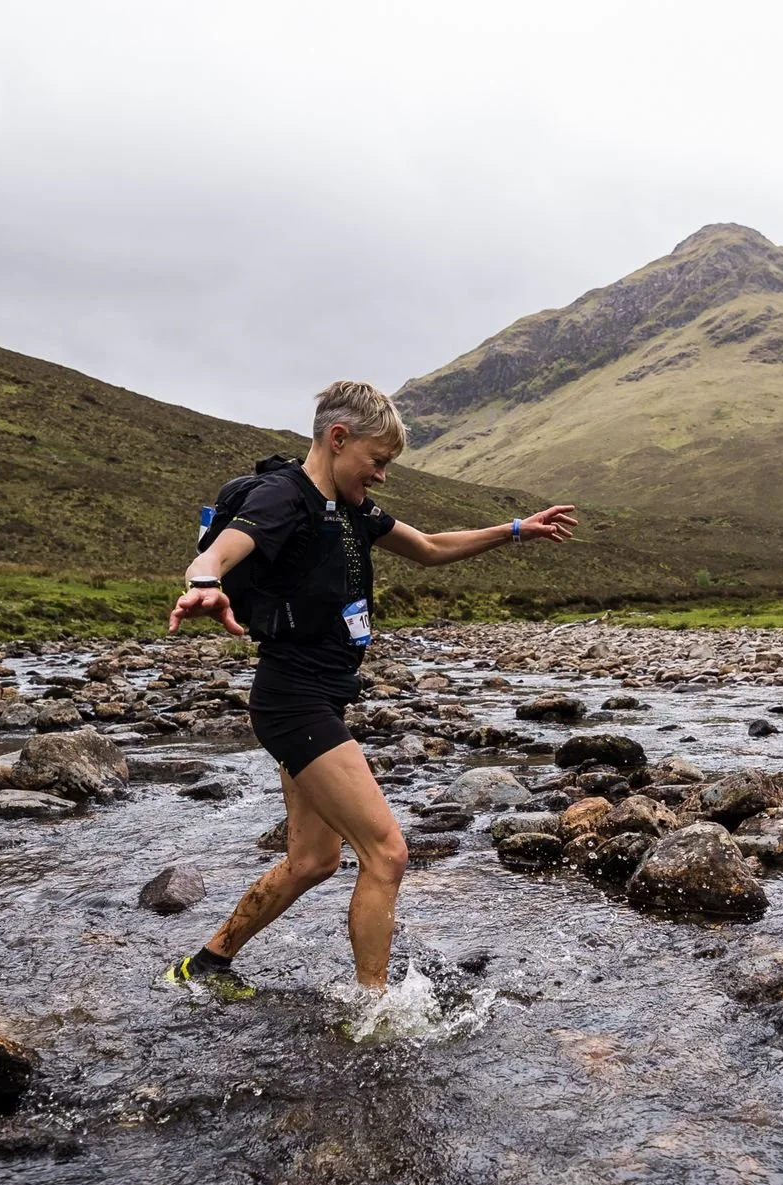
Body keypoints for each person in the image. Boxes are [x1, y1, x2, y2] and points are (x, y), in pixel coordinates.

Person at [164, 380, 577, 993]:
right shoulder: (285, 498)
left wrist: (516, 529)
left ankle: (204, 965)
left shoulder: (351, 507)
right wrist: (204, 581)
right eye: (377, 461)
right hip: (293, 698)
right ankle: (373, 1007)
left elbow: (431, 548)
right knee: (387, 853)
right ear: (338, 439)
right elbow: (224, 549)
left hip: (315, 696)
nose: (382, 475)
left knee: (312, 861)